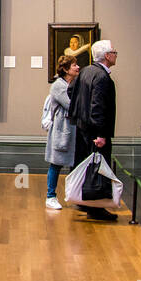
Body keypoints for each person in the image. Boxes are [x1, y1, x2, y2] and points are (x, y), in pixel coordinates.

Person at [68, 39, 118, 220]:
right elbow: (98, 107)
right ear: (107, 56)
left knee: (84, 165)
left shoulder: (86, 71)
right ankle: (96, 207)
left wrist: (81, 113)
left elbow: (71, 91)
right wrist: (100, 134)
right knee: (96, 169)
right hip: (94, 132)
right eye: (114, 51)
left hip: (82, 129)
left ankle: (83, 201)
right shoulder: (102, 77)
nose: (115, 54)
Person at [44, 55, 80, 209]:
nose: (77, 67)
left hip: (72, 128)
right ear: (65, 69)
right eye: (74, 65)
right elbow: (71, 105)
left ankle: (74, 195)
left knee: (75, 164)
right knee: (56, 163)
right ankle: (50, 196)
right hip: (62, 128)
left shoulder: (72, 84)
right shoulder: (59, 85)